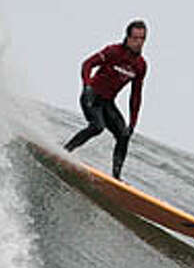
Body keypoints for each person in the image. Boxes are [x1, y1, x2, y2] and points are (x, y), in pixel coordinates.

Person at [63, 20, 148, 180]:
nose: (138, 42)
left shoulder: (140, 65)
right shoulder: (113, 51)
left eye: (142, 39)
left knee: (123, 134)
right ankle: (65, 151)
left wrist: (133, 122)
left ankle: (116, 178)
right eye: (135, 38)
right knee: (97, 126)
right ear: (127, 37)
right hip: (91, 96)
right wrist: (87, 86)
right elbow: (87, 64)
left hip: (107, 103)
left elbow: (136, 95)